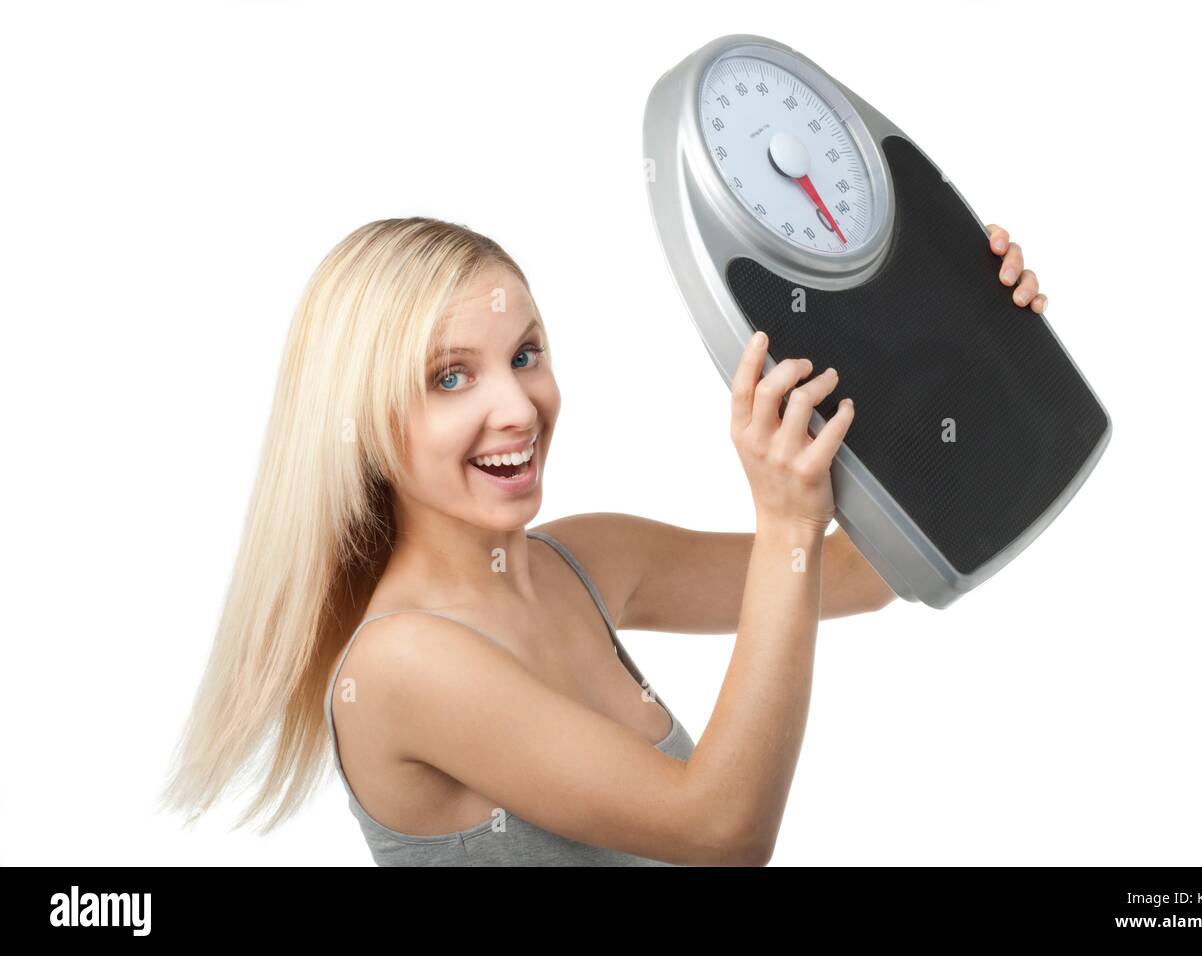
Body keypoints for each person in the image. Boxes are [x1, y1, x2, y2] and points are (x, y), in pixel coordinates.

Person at [159, 217, 1045, 865]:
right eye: (450, 376)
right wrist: (783, 517)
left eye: (526, 354)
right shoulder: (400, 666)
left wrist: (971, 344)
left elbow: (860, 575)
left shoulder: (584, 562)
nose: (516, 407)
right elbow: (721, 829)